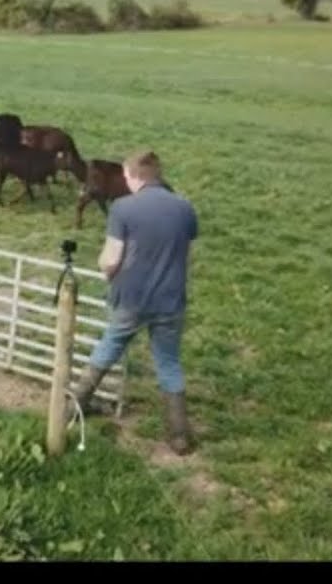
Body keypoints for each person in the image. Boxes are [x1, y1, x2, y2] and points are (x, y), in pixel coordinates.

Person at [69, 150, 199, 455]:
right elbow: (187, 257)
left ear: (133, 176)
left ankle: (72, 408)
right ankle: (179, 436)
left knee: (108, 348)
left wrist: (103, 268)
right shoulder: (184, 208)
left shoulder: (123, 209)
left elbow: (112, 260)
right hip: (170, 299)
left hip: (130, 298)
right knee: (168, 362)